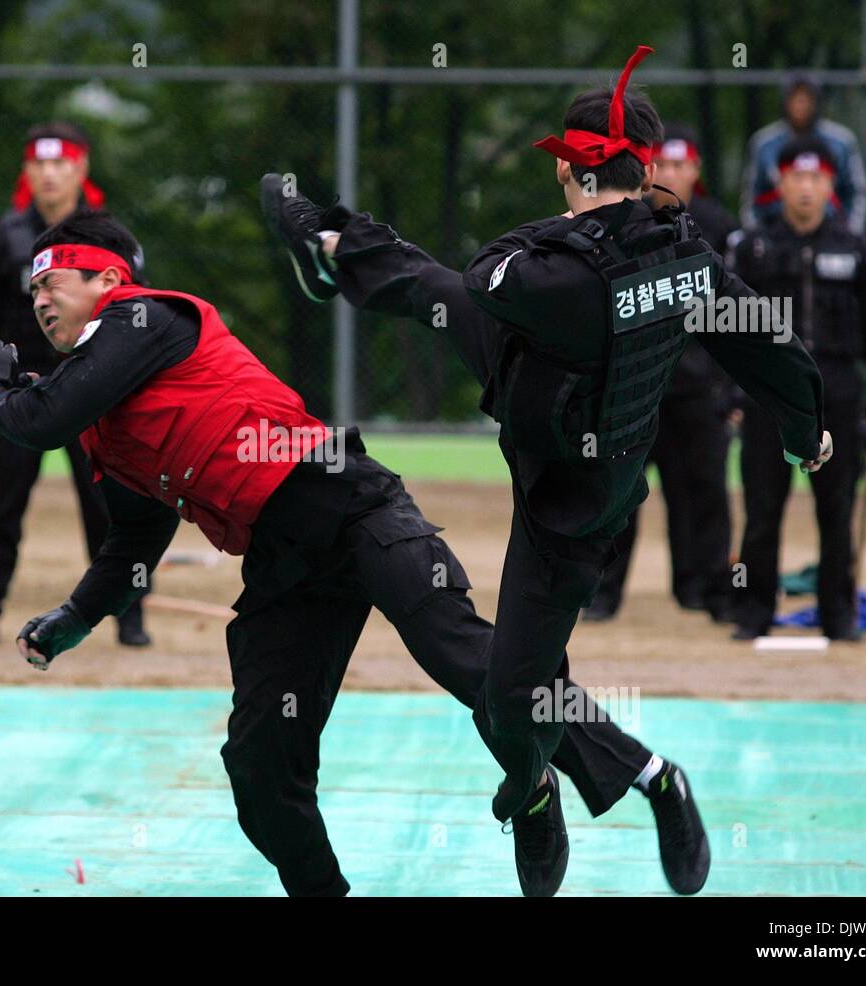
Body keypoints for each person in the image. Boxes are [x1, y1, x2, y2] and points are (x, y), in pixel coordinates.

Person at [0, 210, 709, 898]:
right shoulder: (103, 416)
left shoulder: (144, 315)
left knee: (476, 666)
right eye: (29, 291)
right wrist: (76, 616)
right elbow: (134, 535)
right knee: (259, 764)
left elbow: (42, 416)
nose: (38, 301)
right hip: (284, 562)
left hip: (348, 502)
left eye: (51, 281)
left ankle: (652, 780)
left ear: (108, 278)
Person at [265, 44, 830, 867]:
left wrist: (574, 230)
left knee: (510, 695)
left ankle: (557, 789)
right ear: (644, 168)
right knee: (428, 290)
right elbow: (768, 343)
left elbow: (489, 271)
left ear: (572, 169)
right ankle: (333, 246)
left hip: (568, 500)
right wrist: (802, 428)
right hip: (546, 381)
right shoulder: (685, 257)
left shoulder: (547, 274)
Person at [0, 123, 151, 647]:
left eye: (60, 163)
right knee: (3, 504)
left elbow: (136, 320)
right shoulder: (5, 236)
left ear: (81, 169)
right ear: (27, 172)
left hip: (93, 391)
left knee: (109, 506)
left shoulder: (110, 239)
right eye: (38, 164)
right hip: (21, 392)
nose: (49, 174)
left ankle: (128, 615)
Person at [728, 135, 866, 641]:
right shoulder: (751, 247)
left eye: (816, 178)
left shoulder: (857, 250)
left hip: (839, 397)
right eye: (796, 177)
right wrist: (732, 395)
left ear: (830, 186)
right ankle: (753, 613)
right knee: (761, 512)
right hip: (766, 399)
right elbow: (726, 328)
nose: (805, 188)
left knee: (836, 512)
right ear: (779, 184)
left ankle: (838, 614)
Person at [586, 123, 738, 621]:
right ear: (648, 172)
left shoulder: (719, 227)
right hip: (636, 388)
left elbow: (740, 316)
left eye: (682, 164)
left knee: (702, 492)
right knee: (617, 496)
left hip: (699, 391)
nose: (672, 173)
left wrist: (731, 390)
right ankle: (602, 593)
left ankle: (705, 589)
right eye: (663, 165)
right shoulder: (623, 224)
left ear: (696, 171)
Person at [740, 73, 866, 234]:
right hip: (776, 237)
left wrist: (850, 237)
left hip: (831, 235)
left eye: (806, 99)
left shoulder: (841, 142)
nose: (805, 187)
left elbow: (856, 193)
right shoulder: (764, 143)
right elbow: (751, 196)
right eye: (795, 99)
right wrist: (756, 239)